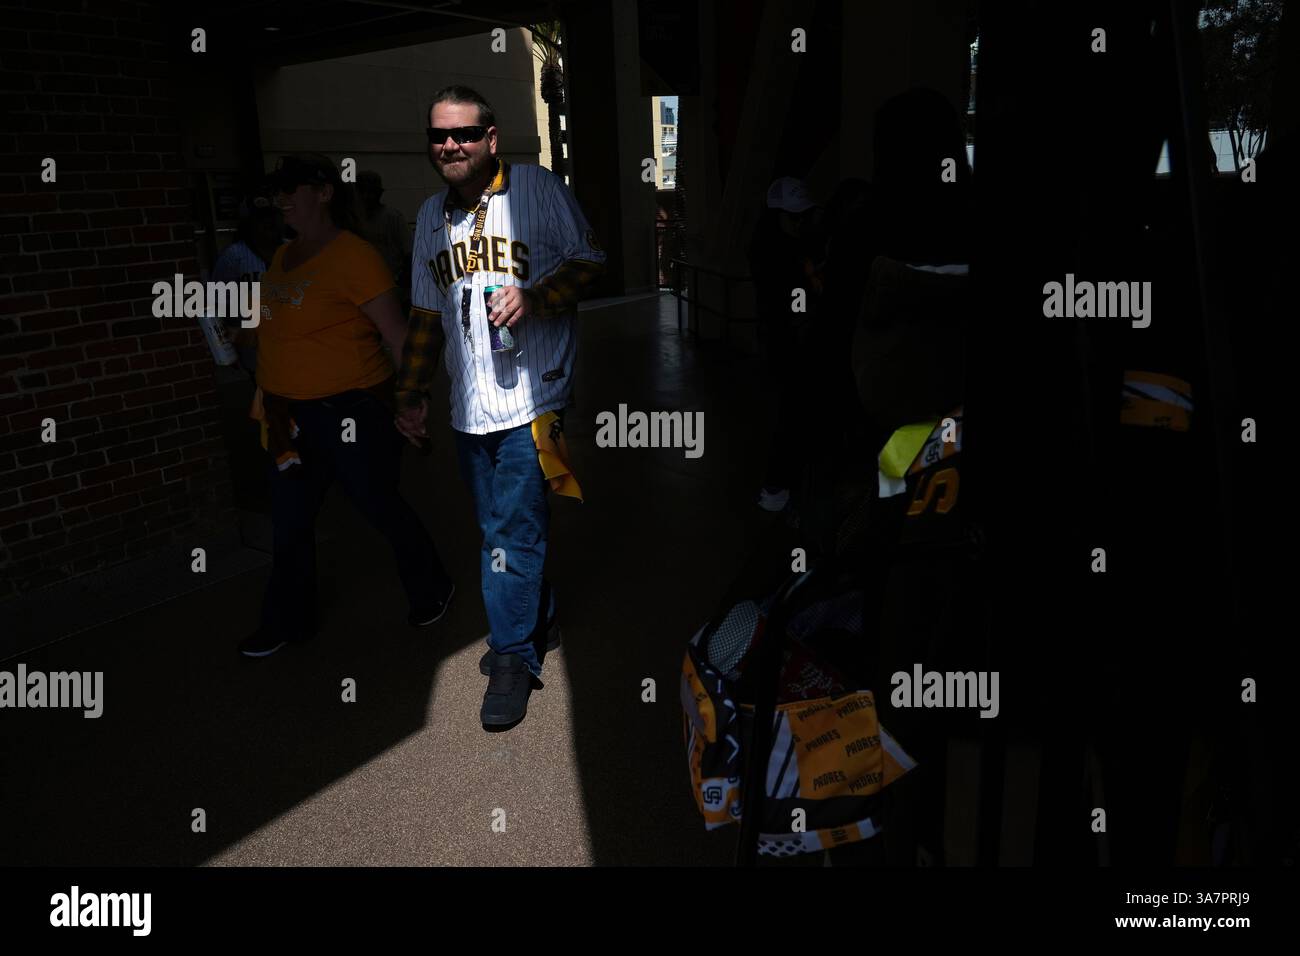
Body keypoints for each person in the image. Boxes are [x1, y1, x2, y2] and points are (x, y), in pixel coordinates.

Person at [393, 85, 606, 728]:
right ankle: (537, 621)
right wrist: (409, 395)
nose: (450, 144)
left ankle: (513, 656)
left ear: (492, 137)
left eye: (463, 132)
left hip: (535, 396)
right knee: (500, 526)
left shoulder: (537, 189)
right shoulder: (431, 216)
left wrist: (535, 297)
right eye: (438, 135)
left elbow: (591, 263)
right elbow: (427, 317)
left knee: (510, 530)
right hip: (469, 405)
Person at [238, 152, 455, 658]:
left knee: (379, 506)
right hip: (287, 415)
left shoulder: (355, 256)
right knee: (290, 522)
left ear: (325, 192)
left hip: (350, 411)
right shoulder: (282, 257)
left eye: (293, 188)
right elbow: (279, 320)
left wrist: (413, 397)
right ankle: (287, 621)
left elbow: (398, 336)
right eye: (278, 191)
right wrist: (240, 330)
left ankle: (432, 587)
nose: (282, 199)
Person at [747, 176, 826, 514]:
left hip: (790, 342)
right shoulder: (776, 253)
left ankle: (780, 487)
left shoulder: (784, 246)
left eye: (803, 215)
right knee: (790, 416)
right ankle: (776, 488)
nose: (800, 221)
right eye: (794, 216)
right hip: (787, 344)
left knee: (793, 414)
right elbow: (790, 302)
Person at [213, 187, 283, 377]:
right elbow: (219, 306)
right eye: (260, 218)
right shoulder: (233, 256)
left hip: (295, 348)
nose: (267, 223)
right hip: (254, 353)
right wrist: (226, 349)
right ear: (248, 223)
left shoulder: (294, 251)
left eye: (271, 216)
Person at [357, 170, 413, 309]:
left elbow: (410, 254)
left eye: (371, 192)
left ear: (379, 193)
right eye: (363, 192)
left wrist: (401, 282)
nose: (367, 197)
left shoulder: (393, 217)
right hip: (367, 289)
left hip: (394, 288)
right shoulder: (355, 220)